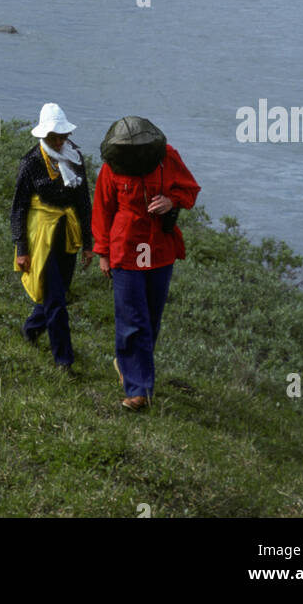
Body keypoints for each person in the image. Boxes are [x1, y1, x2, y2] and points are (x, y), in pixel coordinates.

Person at [92, 116, 200, 410]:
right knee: (132, 318)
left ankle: (127, 364)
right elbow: (103, 208)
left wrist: (171, 201)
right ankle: (139, 389)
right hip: (126, 248)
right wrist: (102, 253)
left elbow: (190, 190)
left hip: (159, 249)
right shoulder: (111, 166)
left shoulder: (168, 157)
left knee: (151, 319)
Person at [10, 103, 95, 372]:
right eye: (53, 138)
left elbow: (83, 201)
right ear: (43, 136)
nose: (59, 142)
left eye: (62, 137)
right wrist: (21, 248)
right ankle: (64, 360)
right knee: (57, 300)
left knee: (56, 293)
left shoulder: (75, 158)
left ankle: (31, 330)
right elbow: (19, 207)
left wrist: (89, 243)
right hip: (41, 237)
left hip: (66, 234)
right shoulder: (31, 162)